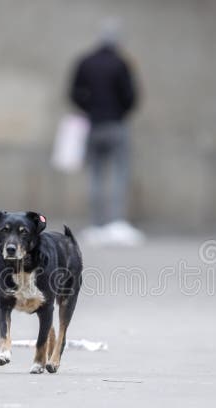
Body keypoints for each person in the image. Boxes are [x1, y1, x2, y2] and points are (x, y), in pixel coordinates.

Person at [69, 19, 143, 246]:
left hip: (93, 125)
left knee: (95, 176)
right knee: (119, 175)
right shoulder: (121, 63)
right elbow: (131, 96)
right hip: (116, 125)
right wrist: (120, 112)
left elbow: (73, 92)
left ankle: (96, 225)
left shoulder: (85, 62)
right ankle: (116, 223)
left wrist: (89, 109)